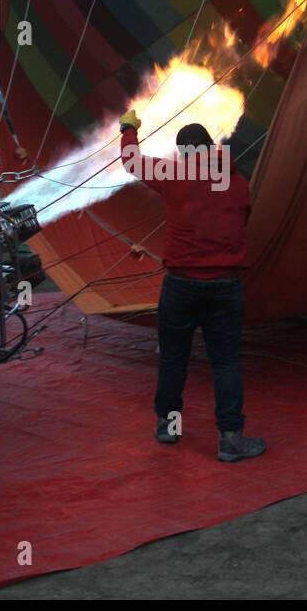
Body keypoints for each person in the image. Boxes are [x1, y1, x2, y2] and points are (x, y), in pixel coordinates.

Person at [119, 109, 266, 462]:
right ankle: (230, 438)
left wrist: (128, 128)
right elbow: (245, 215)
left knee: (173, 358)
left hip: (181, 284)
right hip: (225, 285)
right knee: (226, 362)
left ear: (183, 152)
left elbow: (131, 161)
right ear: (211, 147)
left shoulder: (174, 173)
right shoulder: (237, 178)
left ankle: (168, 426)